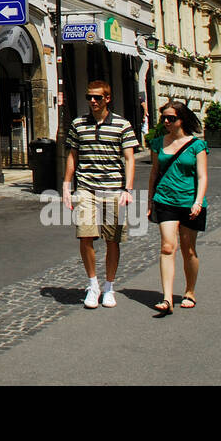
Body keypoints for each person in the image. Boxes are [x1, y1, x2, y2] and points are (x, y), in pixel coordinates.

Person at [61, 80, 139, 309]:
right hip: (86, 189)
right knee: (85, 236)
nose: (92, 101)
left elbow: (129, 158)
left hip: (114, 189)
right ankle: (93, 284)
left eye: (97, 97)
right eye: (89, 97)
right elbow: (73, 155)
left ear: (107, 98)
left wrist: (128, 189)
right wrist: (67, 185)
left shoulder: (122, 125)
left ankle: (109, 287)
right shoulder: (78, 124)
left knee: (112, 240)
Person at [146, 101, 209, 315]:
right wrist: (149, 201)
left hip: (190, 202)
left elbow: (202, 176)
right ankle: (167, 299)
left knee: (188, 249)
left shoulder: (196, 145)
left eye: (170, 118)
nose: (166, 121)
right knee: (167, 246)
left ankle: (190, 291)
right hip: (165, 200)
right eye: (163, 117)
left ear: (181, 119)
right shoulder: (157, 143)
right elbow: (154, 173)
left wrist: (198, 201)